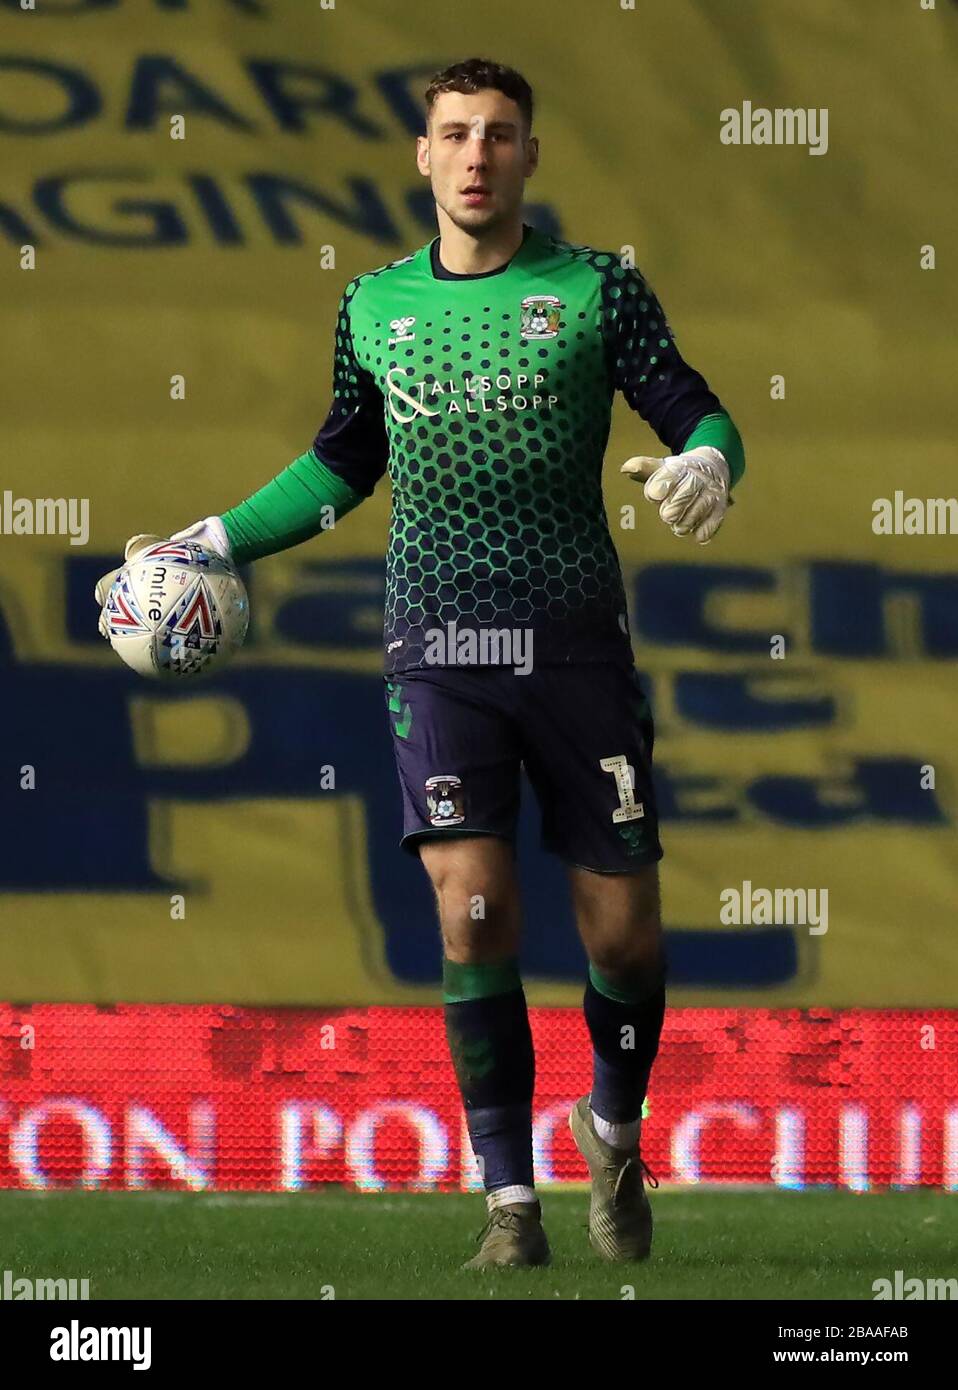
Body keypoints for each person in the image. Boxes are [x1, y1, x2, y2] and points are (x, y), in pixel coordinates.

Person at [96, 56, 744, 1269]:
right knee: (473, 905)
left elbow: (694, 407)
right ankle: (509, 1202)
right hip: (437, 647)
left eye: (500, 133)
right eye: (455, 133)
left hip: (574, 649)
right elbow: (341, 462)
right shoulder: (372, 308)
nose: (478, 154)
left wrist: (709, 461)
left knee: (623, 939)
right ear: (423, 155)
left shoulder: (599, 290)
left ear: (529, 156)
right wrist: (213, 538)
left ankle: (612, 1129)